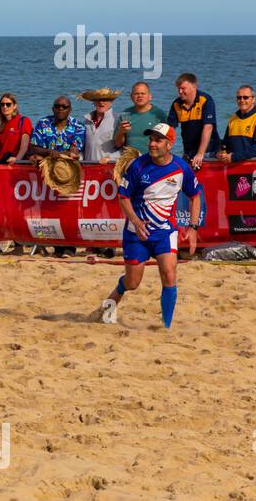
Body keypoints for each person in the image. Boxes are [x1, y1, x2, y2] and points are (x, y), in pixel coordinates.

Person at [99, 123, 200, 329]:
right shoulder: (138, 166)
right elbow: (123, 198)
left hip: (165, 231)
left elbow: (195, 195)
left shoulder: (181, 168)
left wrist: (193, 227)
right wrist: (136, 222)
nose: (152, 144)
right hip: (137, 233)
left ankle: (166, 327)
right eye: (151, 139)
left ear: (169, 144)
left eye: (158, 140)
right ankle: (116, 294)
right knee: (133, 283)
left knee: (169, 274)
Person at [167, 73, 221, 169]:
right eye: (178, 88)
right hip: (188, 152)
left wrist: (200, 154)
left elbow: (208, 128)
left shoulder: (205, 100)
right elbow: (170, 129)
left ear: (194, 86)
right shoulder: (176, 104)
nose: (180, 91)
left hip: (209, 151)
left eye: (183, 88)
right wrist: (166, 148)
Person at [216, 85, 256, 164]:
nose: (242, 100)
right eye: (239, 98)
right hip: (233, 166)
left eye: (245, 97)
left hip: (254, 166)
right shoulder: (233, 119)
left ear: (253, 99)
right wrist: (220, 153)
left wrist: (235, 157)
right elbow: (225, 144)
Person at [112, 82, 167, 154]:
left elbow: (168, 141)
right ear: (131, 97)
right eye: (136, 94)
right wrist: (121, 132)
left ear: (150, 96)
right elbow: (117, 144)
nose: (139, 96)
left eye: (143, 93)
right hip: (131, 160)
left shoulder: (159, 115)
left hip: (152, 159)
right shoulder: (125, 115)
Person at [29, 96, 84, 161]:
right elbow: (34, 148)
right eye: (57, 106)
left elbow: (74, 151)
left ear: (70, 109)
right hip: (45, 164)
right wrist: (48, 152)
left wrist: (57, 154)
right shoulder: (43, 123)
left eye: (64, 107)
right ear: (53, 109)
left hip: (67, 164)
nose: (60, 109)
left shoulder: (78, 126)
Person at [80, 89, 120, 163]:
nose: (101, 102)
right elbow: (83, 147)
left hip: (109, 167)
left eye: (105, 100)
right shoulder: (86, 121)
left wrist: (111, 158)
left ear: (111, 102)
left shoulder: (117, 120)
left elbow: (124, 148)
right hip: (88, 167)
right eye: (98, 100)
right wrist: (79, 158)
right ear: (94, 102)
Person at [0, 93, 31, 163]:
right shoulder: (0, 125)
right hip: (1, 163)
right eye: (2, 104)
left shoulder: (23, 121)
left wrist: (17, 160)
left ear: (14, 106)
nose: (5, 107)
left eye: (8, 104)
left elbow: (24, 147)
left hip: (16, 164)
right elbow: (0, 150)